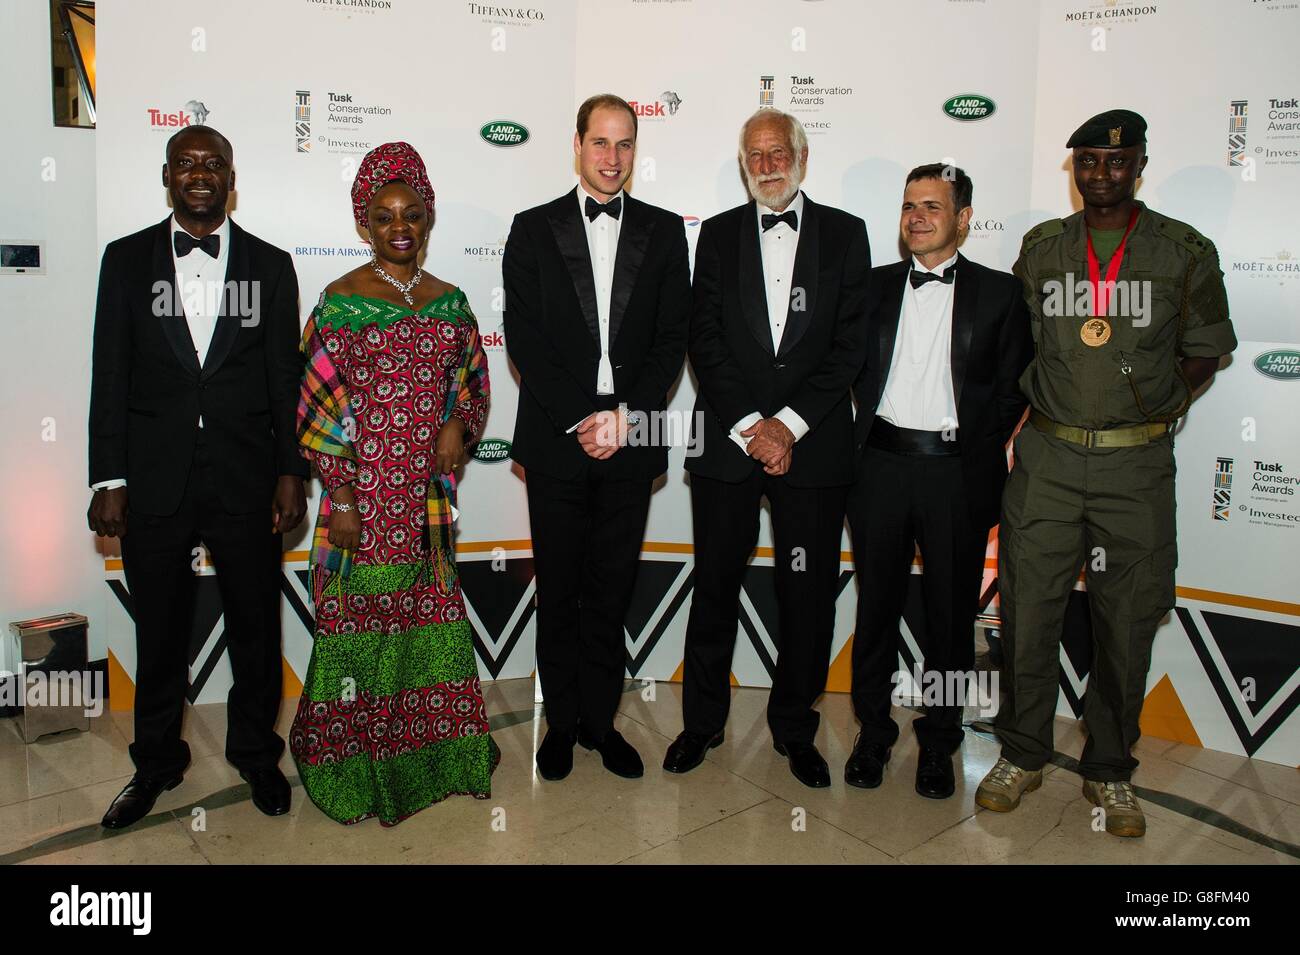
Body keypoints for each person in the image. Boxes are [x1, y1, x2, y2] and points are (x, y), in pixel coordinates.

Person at [976, 110, 1237, 836]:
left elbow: (1205, 350)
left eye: (1117, 163)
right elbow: (1016, 343)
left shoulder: (1183, 251)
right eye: (1088, 161)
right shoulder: (1043, 248)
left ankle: (1111, 768)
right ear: (1075, 169)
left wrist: (1158, 407)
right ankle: (1022, 752)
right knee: (1028, 610)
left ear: (1139, 168)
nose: (1102, 174)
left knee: (1127, 618)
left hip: (1136, 463)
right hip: (1049, 458)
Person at [88, 125, 307, 828]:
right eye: (187, 163)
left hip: (245, 474)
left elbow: (284, 381)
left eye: (213, 163)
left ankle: (255, 752)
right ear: (166, 175)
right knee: (160, 630)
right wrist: (108, 476)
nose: (200, 173)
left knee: (254, 625)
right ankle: (155, 762)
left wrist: (290, 470)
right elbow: (109, 374)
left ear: (231, 176)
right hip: (154, 476)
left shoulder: (271, 268)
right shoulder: (125, 262)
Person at [288, 142, 498, 825]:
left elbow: (473, 388)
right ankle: (352, 771)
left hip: (429, 503)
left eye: (411, 213)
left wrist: (458, 428)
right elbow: (315, 410)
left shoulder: (452, 304)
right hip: (363, 505)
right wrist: (342, 496)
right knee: (356, 631)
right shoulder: (339, 303)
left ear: (428, 217)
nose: (400, 226)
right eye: (384, 216)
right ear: (364, 223)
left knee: (424, 632)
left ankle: (431, 762)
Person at [665, 109, 870, 787]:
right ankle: (701, 723)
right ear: (743, 162)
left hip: (812, 447)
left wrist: (789, 426)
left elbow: (849, 346)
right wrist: (755, 424)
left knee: (807, 594)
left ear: (801, 157)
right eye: (755, 154)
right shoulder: (718, 235)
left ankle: (794, 728)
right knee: (715, 584)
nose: (767, 163)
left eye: (778, 151)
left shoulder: (846, 234)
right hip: (729, 440)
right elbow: (705, 339)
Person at [503, 94, 690, 782]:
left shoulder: (666, 232)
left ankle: (602, 723)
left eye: (626, 144)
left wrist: (627, 416)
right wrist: (586, 418)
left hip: (632, 438)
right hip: (558, 439)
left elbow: (673, 338)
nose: (613, 158)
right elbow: (525, 338)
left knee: (611, 590)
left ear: (636, 150)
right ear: (577, 145)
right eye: (601, 143)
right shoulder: (531, 229)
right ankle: (559, 724)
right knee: (559, 590)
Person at [845, 164, 1031, 799]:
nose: (916, 217)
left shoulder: (1002, 295)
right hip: (879, 468)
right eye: (907, 206)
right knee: (875, 608)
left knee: (951, 619)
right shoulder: (867, 289)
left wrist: (970, 446)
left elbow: (1012, 393)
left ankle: (940, 739)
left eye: (931, 205)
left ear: (964, 219)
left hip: (957, 473)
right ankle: (873, 731)